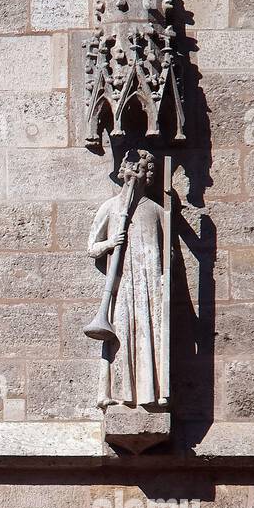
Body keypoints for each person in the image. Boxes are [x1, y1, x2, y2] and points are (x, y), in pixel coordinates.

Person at [88, 149, 167, 409]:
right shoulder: (111, 208)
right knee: (119, 335)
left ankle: (150, 392)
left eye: (141, 169)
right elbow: (92, 247)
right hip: (121, 286)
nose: (134, 173)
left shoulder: (156, 211)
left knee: (147, 334)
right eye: (130, 167)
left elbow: (168, 255)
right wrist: (111, 242)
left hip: (148, 288)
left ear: (148, 176)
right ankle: (112, 393)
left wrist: (165, 278)